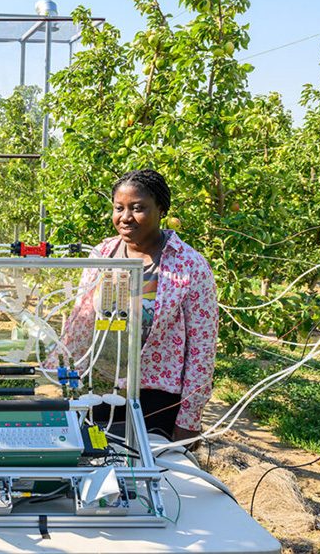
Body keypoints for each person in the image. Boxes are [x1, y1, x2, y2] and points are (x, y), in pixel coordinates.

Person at [57, 169, 218, 445]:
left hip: (158, 399)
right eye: (119, 208)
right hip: (101, 389)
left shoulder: (189, 264)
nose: (125, 217)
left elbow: (202, 348)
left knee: (153, 476)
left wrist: (189, 419)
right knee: (99, 469)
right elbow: (81, 321)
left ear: (161, 209)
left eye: (138, 208)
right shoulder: (103, 254)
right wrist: (61, 378)